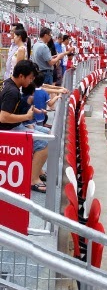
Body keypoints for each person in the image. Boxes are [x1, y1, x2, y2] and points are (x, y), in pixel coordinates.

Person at [0, 61, 48, 193]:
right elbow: (3, 117)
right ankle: (33, 179)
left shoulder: (9, 83)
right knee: (44, 143)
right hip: (7, 131)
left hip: (13, 126)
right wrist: (27, 117)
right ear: (21, 76)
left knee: (46, 132)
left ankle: (37, 170)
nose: (32, 81)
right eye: (30, 78)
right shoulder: (12, 91)